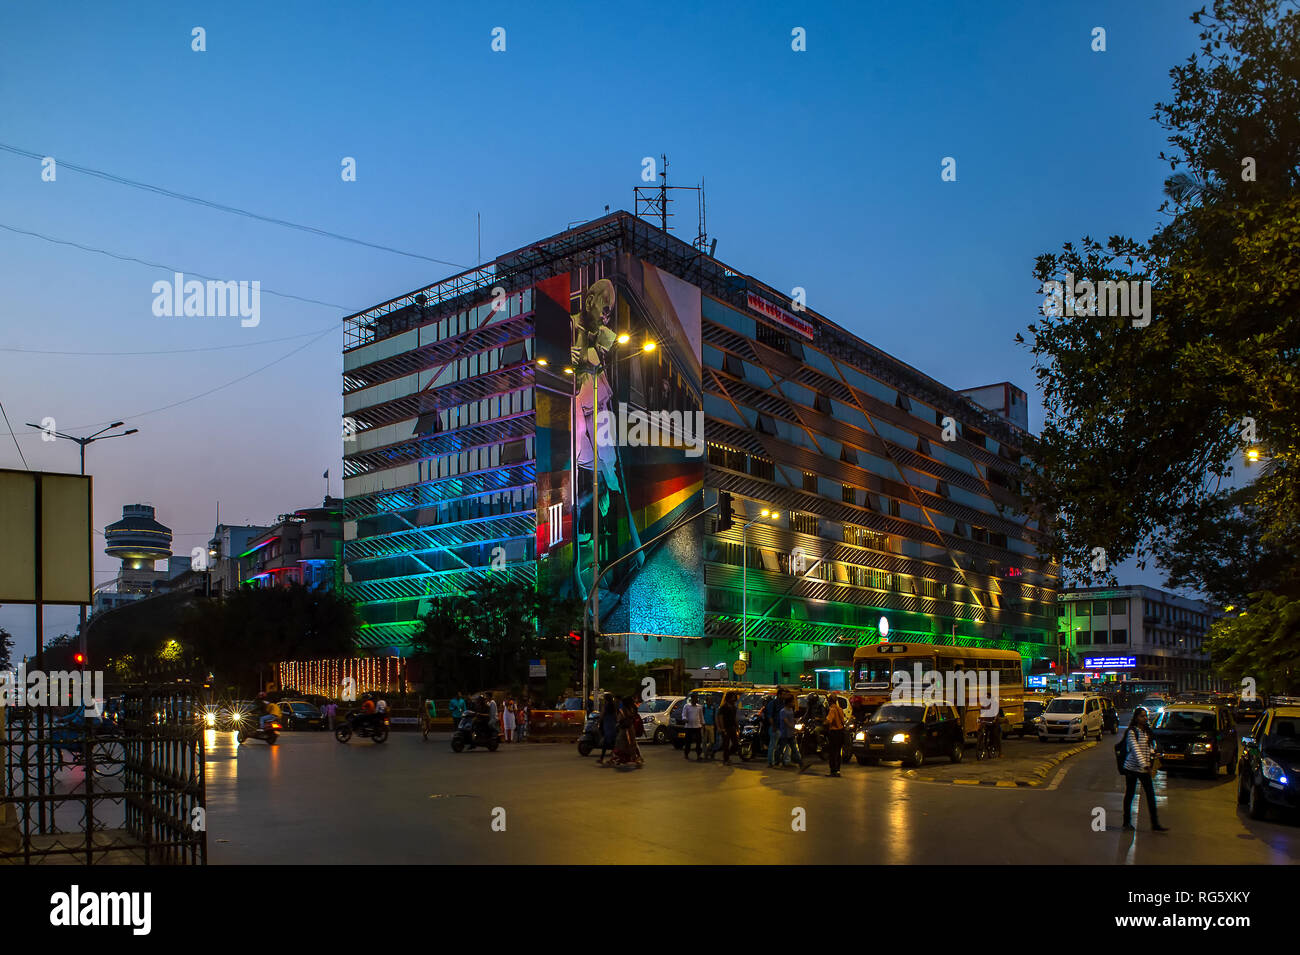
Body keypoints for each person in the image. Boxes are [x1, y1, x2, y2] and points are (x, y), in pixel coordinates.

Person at [1121, 706, 1168, 832]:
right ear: (1136, 718)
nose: (1145, 718)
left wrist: (1154, 754)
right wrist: (1145, 765)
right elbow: (1135, 750)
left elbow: (1149, 747)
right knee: (1130, 795)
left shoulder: (1147, 731)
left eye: (1146, 715)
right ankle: (1126, 822)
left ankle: (1155, 823)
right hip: (1132, 768)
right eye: (1142, 716)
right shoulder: (1132, 732)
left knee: (1151, 796)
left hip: (1144, 769)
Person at [824, 694, 847, 777]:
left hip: (834, 733)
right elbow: (843, 720)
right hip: (841, 732)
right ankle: (838, 770)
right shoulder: (840, 709)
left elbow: (828, 721)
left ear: (830, 701)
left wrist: (823, 722)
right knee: (838, 752)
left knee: (832, 753)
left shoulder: (832, 710)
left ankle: (833, 771)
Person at [682, 692, 705, 760]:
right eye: (694, 698)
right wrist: (685, 719)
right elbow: (684, 715)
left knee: (698, 742)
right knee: (688, 742)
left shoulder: (699, 707)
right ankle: (686, 754)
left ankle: (698, 755)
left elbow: (701, 716)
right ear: (691, 699)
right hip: (689, 727)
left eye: (696, 698)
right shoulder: (686, 706)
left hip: (697, 726)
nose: (696, 699)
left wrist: (703, 723)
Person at [778, 693, 799, 767]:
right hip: (784, 733)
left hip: (790, 733)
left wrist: (795, 721)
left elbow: (791, 719)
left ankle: (799, 761)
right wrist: (794, 727)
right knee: (781, 749)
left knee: (794, 748)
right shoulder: (783, 711)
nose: (793, 703)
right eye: (792, 702)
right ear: (788, 703)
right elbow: (786, 721)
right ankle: (777, 760)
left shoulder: (790, 710)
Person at [719, 691, 740, 765]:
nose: (734, 698)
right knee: (726, 744)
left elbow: (734, 718)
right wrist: (722, 728)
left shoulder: (734, 707)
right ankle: (726, 759)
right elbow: (721, 718)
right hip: (726, 728)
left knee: (736, 744)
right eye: (733, 696)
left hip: (732, 727)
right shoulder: (723, 707)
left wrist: (737, 727)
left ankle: (728, 755)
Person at [597, 694, 618, 764]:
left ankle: (602, 758)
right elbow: (615, 715)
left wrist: (599, 721)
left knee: (606, 742)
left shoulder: (606, 706)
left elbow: (602, 714)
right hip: (612, 724)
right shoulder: (613, 705)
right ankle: (612, 757)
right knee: (613, 741)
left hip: (607, 724)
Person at [765, 691, 782, 767]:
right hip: (775, 727)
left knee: (779, 745)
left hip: (781, 727)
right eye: (783, 694)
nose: (785, 696)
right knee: (773, 745)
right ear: (779, 695)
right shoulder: (773, 703)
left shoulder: (783, 703)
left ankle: (777, 760)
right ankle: (771, 762)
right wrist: (773, 726)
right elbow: (770, 716)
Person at [701, 694, 717, 760]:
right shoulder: (703, 708)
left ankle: (707, 751)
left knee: (712, 741)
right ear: (706, 701)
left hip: (711, 726)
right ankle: (705, 754)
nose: (710, 702)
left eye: (711, 701)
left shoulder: (713, 709)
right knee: (704, 741)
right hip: (704, 726)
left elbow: (714, 717)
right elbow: (701, 717)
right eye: (709, 701)